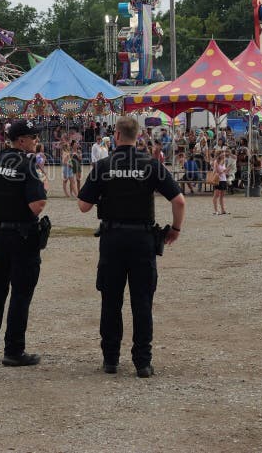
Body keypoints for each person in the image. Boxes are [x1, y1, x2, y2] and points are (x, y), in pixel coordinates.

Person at [77, 115, 186, 378]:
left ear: (116, 135)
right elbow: (179, 201)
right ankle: (142, 362)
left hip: (113, 239)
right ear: (138, 137)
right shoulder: (151, 164)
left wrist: (105, 194)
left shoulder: (103, 166)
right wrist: (175, 229)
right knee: (142, 301)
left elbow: (83, 206)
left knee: (111, 300)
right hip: (142, 239)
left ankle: (111, 359)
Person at [0, 119, 47, 367]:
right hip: (23, 237)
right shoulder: (27, 166)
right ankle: (14, 350)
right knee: (20, 293)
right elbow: (37, 204)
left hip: (0, 236)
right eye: (33, 137)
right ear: (22, 141)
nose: (36, 141)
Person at [211, 151, 229, 215]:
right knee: (216, 195)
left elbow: (223, 172)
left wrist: (226, 172)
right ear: (219, 155)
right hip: (218, 180)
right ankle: (216, 210)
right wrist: (224, 170)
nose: (224, 156)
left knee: (222, 196)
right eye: (222, 155)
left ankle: (223, 210)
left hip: (223, 179)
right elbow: (217, 171)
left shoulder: (224, 162)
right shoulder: (216, 162)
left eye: (224, 155)